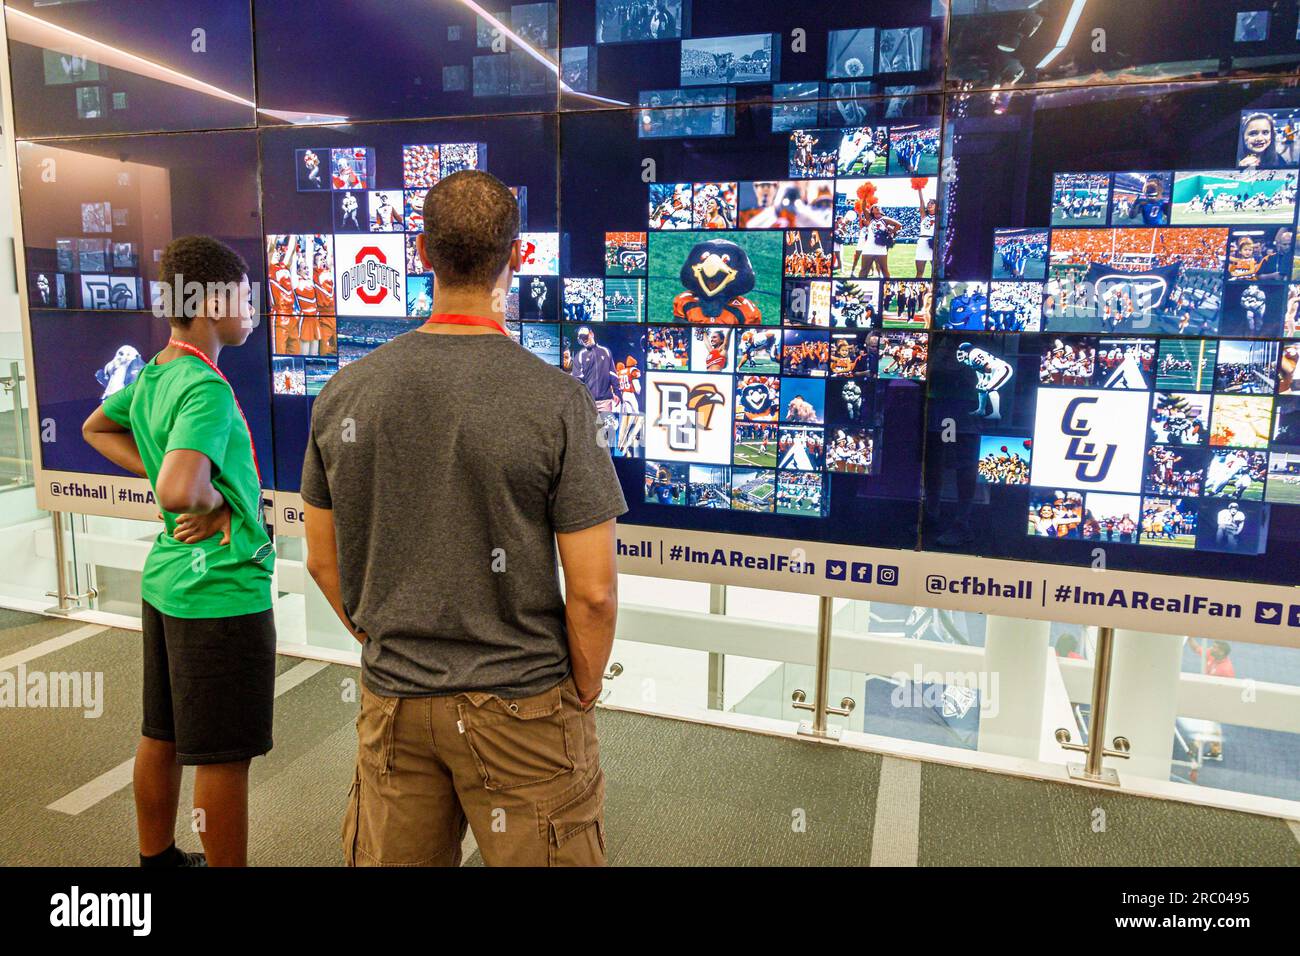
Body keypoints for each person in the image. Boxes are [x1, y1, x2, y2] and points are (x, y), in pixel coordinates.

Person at [301, 170, 627, 867]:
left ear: (420, 253)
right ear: (516, 256)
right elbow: (594, 594)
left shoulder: (343, 392)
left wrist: (387, 636)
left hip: (394, 702)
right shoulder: (558, 401)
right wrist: (585, 688)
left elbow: (323, 562)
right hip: (524, 708)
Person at [81, 235, 275, 867]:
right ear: (213, 301)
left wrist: (179, 483)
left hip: (168, 582)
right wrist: (211, 501)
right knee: (223, 755)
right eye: (245, 297)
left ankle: (157, 860)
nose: (253, 309)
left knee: (160, 732)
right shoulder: (204, 389)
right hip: (219, 592)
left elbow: (96, 427)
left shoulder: (156, 373)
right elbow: (176, 487)